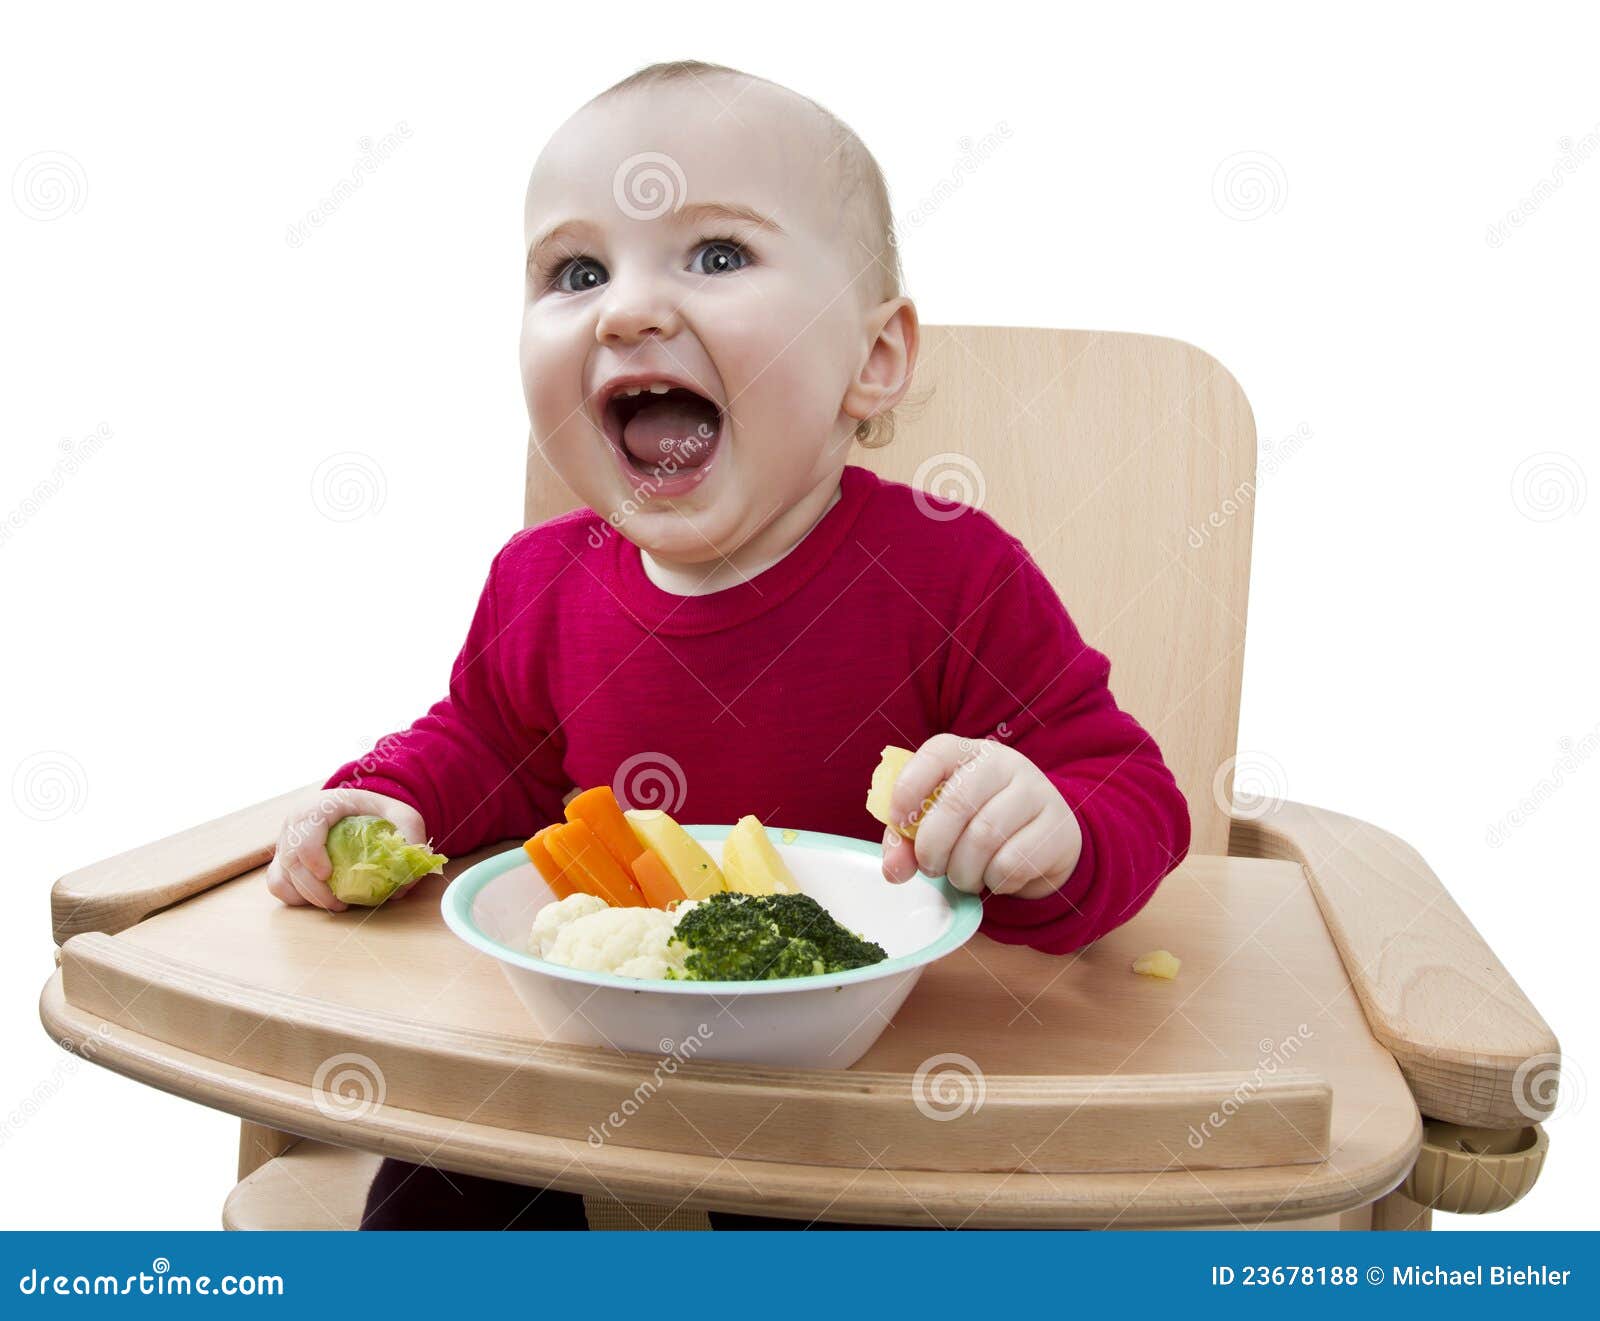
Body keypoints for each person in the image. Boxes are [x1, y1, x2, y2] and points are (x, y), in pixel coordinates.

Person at [265, 59, 1191, 1230]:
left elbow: (1129, 787)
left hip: (854, 1103)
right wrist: (392, 803)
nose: (628, 309)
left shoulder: (954, 571)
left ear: (874, 359)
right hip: (577, 1067)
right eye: (577, 271)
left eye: (715, 256)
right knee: (429, 1207)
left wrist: (1050, 829)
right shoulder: (538, 580)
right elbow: (483, 744)